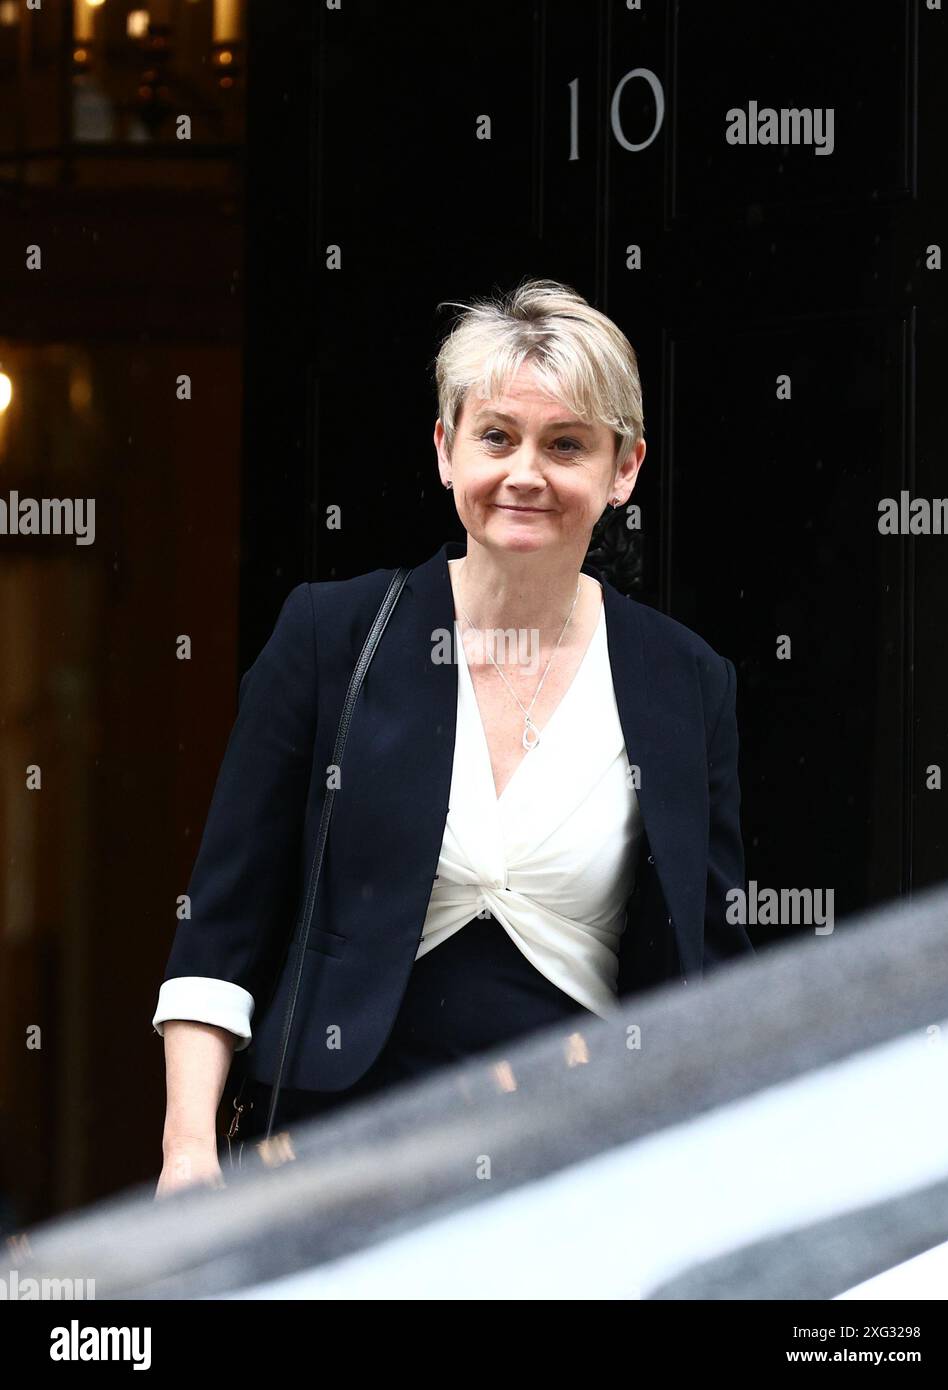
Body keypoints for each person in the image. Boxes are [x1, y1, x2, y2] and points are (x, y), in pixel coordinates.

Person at [153, 277, 754, 1197]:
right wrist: (188, 1152)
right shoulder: (330, 635)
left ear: (622, 469)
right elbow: (221, 927)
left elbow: (709, 968)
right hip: (334, 1155)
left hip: (571, 1162)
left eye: (566, 445)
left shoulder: (686, 681)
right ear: (444, 449)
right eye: (496, 436)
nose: (525, 473)